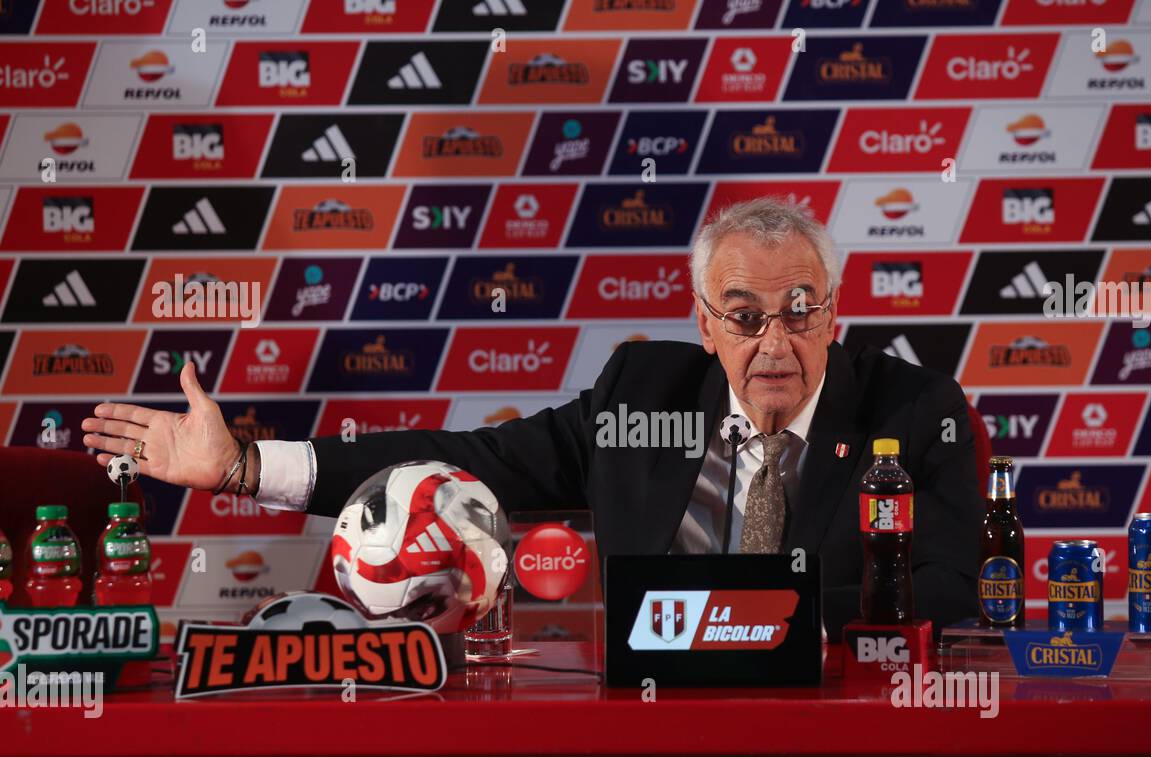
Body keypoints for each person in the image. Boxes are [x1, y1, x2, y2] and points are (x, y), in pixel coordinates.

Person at [83, 197, 981, 633]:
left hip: (838, 725)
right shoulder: (645, 395)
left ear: (837, 313)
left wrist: (745, 623)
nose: (776, 341)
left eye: (801, 311)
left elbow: (950, 588)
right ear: (705, 325)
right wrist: (245, 467)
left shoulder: (915, 408)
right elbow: (467, 458)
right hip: (651, 729)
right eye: (745, 317)